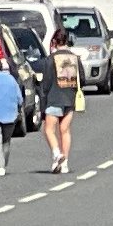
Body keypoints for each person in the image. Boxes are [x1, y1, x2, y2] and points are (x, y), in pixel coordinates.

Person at [44, 35, 84, 175]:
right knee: (65, 130)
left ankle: (57, 154)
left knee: (49, 129)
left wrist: (44, 97)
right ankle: (65, 163)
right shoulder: (75, 58)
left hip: (54, 97)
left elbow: (47, 82)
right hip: (70, 98)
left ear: (54, 42)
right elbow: (82, 79)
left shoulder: (51, 59)